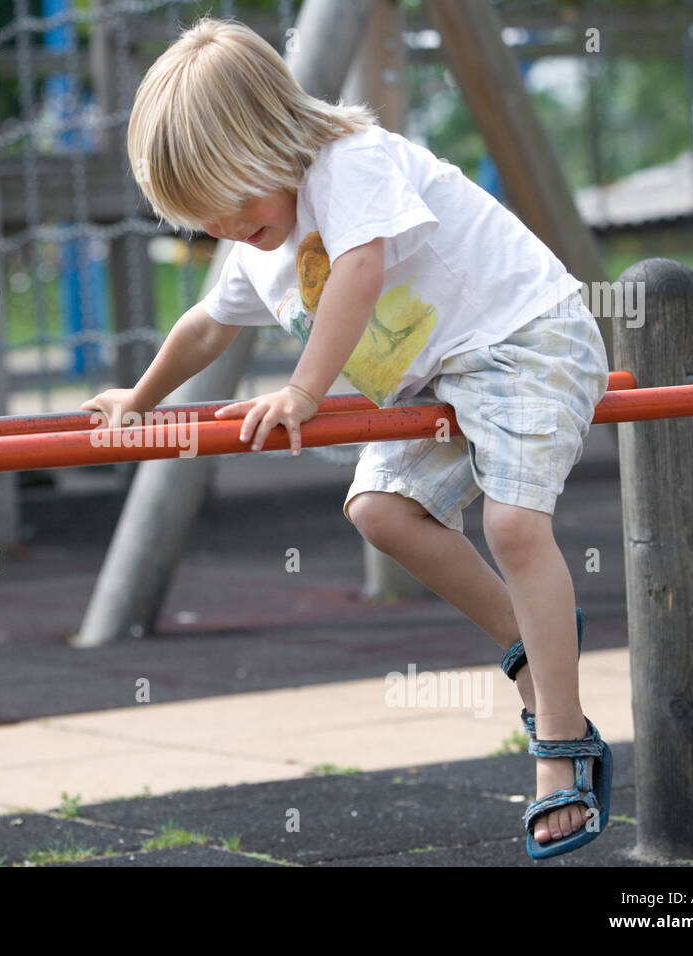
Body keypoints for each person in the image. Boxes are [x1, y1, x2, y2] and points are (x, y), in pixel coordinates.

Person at [82, 17, 611, 859]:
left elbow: (360, 270)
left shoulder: (349, 165)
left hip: (523, 335)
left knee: (515, 526)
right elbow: (207, 328)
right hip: (439, 376)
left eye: (233, 202)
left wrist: (301, 389)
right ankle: (533, 657)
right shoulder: (258, 241)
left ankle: (559, 740)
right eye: (204, 220)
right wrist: (140, 401)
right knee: (378, 511)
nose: (226, 230)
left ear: (272, 140)